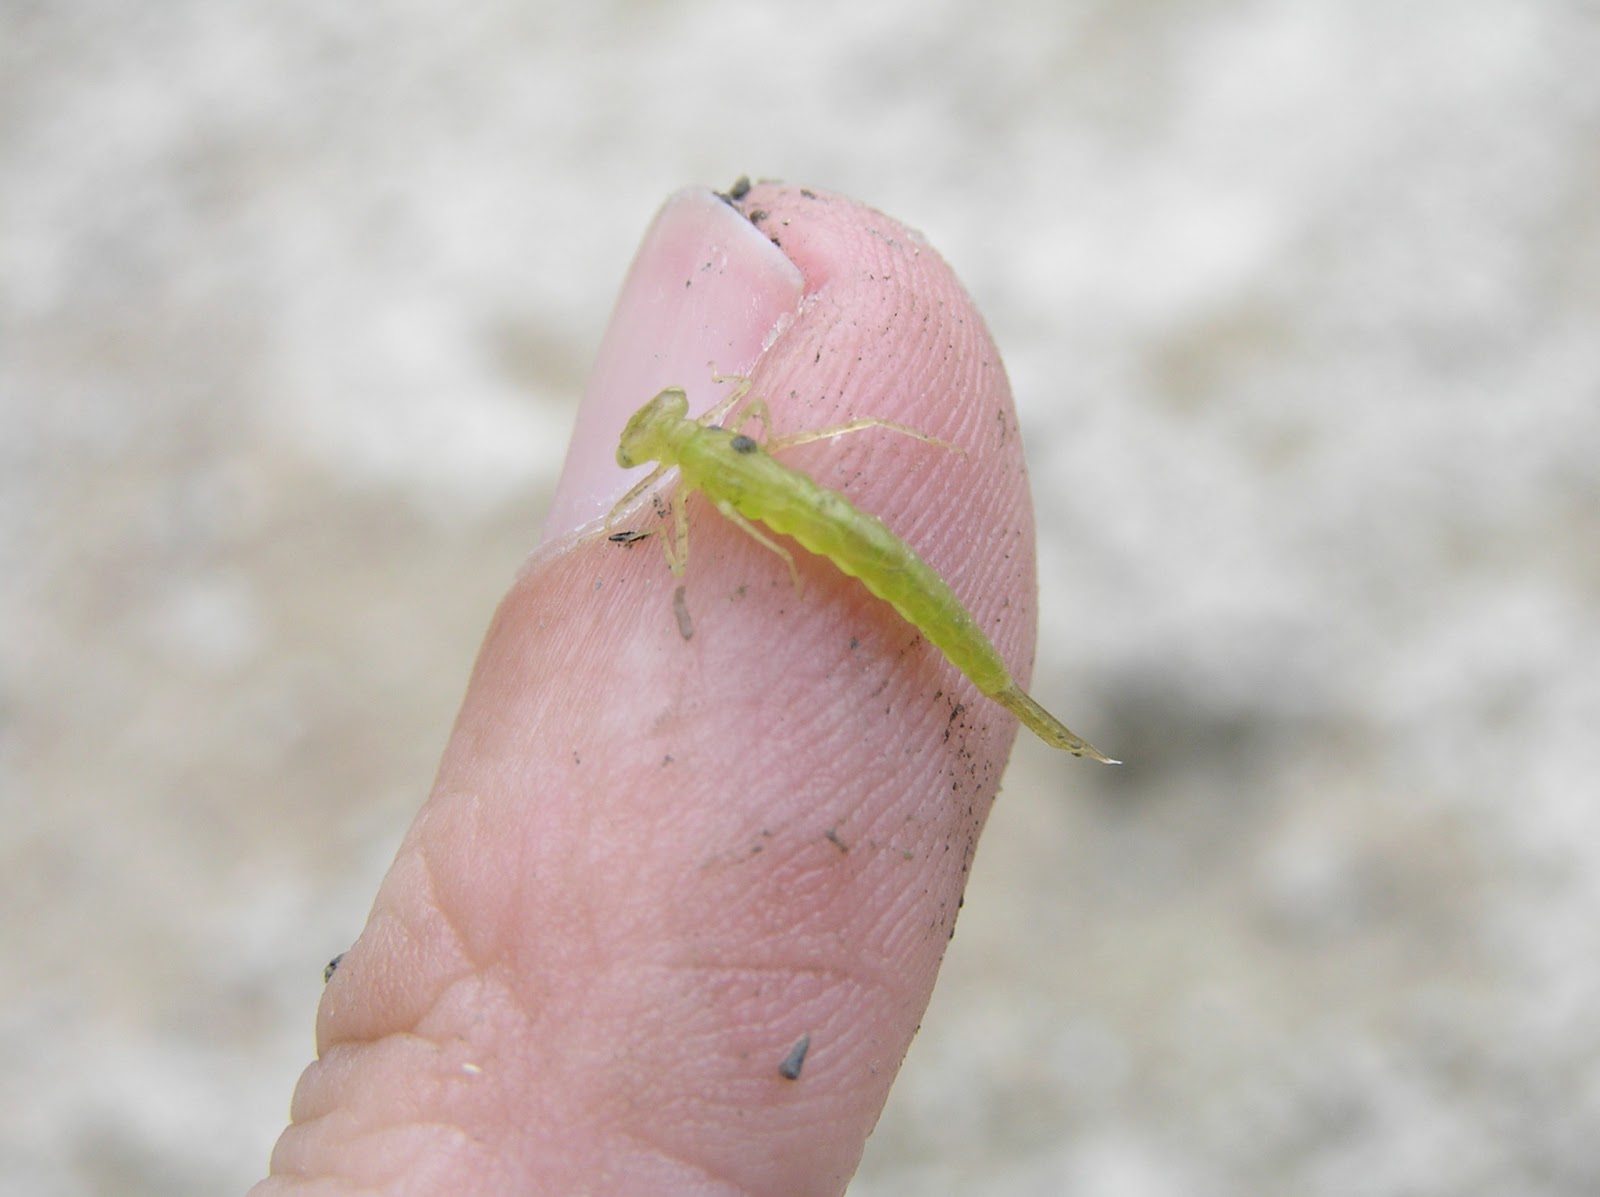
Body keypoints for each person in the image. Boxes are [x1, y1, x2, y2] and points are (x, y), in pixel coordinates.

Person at [252, 182, 1050, 1195]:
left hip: (832, 521)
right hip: (817, 518)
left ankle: (1008, 695)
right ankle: (1009, 697)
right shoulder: (703, 469)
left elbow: (730, 502)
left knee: (874, 563)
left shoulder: (695, 474)